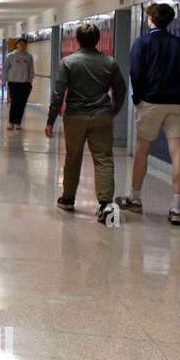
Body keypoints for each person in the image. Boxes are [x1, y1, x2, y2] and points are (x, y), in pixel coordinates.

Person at [116, 2, 180, 225]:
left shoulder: (142, 43)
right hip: (177, 104)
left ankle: (134, 198)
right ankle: (176, 207)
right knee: (177, 152)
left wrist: (138, 98)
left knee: (142, 150)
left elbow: (135, 72)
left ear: (150, 19)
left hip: (150, 102)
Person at [45, 22, 127, 222]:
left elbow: (58, 94)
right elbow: (121, 90)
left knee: (73, 157)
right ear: (98, 40)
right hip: (102, 115)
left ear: (77, 40)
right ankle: (107, 208)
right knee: (104, 159)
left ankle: (68, 199)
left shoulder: (68, 62)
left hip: (75, 116)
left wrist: (51, 120)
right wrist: (112, 111)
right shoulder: (110, 63)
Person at [3, 39, 34, 130]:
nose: (22, 46)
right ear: (16, 45)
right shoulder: (10, 56)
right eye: (20, 44)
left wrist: (29, 81)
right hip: (13, 83)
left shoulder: (29, 57)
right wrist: (4, 81)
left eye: (24, 44)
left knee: (22, 104)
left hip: (25, 83)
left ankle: (18, 123)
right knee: (14, 103)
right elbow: (5, 69)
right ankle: (11, 122)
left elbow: (31, 70)